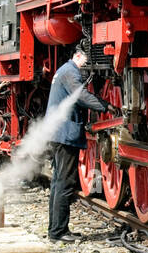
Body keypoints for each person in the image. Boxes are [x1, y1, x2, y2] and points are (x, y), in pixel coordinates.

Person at [45, 45, 109, 242]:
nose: (86, 66)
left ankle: (55, 230)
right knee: (64, 183)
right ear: (78, 56)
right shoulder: (70, 72)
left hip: (58, 132)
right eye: (85, 61)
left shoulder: (63, 70)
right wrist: (105, 106)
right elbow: (80, 96)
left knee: (57, 182)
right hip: (64, 134)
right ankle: (58, 232)